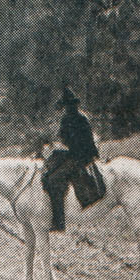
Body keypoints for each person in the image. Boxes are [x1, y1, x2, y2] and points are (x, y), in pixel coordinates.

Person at [41, 87, 99, 232]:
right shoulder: (66, 119)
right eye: (67, 106)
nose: (68, 108)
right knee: (48, 169)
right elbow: (64, 138)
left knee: (55, 179)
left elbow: (87, 143)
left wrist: (68, 148)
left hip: (82, 156)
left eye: (70, 105)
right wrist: (56, 147)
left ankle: (59, 221)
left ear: (75, 105)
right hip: (73, 153)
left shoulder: (81, 119)